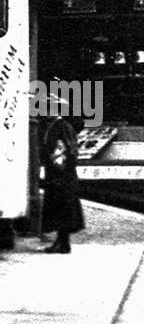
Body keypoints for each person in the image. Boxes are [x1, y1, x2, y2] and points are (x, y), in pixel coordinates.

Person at [40, 106, 85, 254]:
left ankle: (62, 243)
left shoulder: (59, 126)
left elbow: (62, 151)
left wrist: (55, 165)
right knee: (63, 209)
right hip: (63, 175)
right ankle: (63, 243)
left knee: (61, 208)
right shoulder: (61, 126)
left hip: (60, 175)